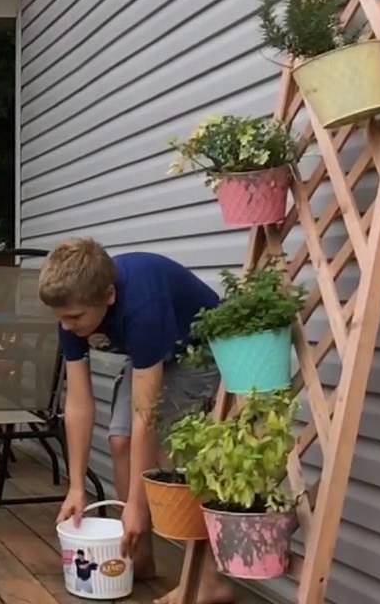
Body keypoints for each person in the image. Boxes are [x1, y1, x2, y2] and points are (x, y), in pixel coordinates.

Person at [38, 237, 234, 604]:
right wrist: (76, 486)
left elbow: (147, 415)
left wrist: (137, 506)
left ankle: (209, 580)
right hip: (152, 357)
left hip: (198, 349)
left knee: (170, 456)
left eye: (75, 318)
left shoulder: (142, 306)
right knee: (120, 441)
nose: (66, 326)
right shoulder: (73, 311)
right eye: (60, 317)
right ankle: (138, 556)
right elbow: (78, 403)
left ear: (109, 295)